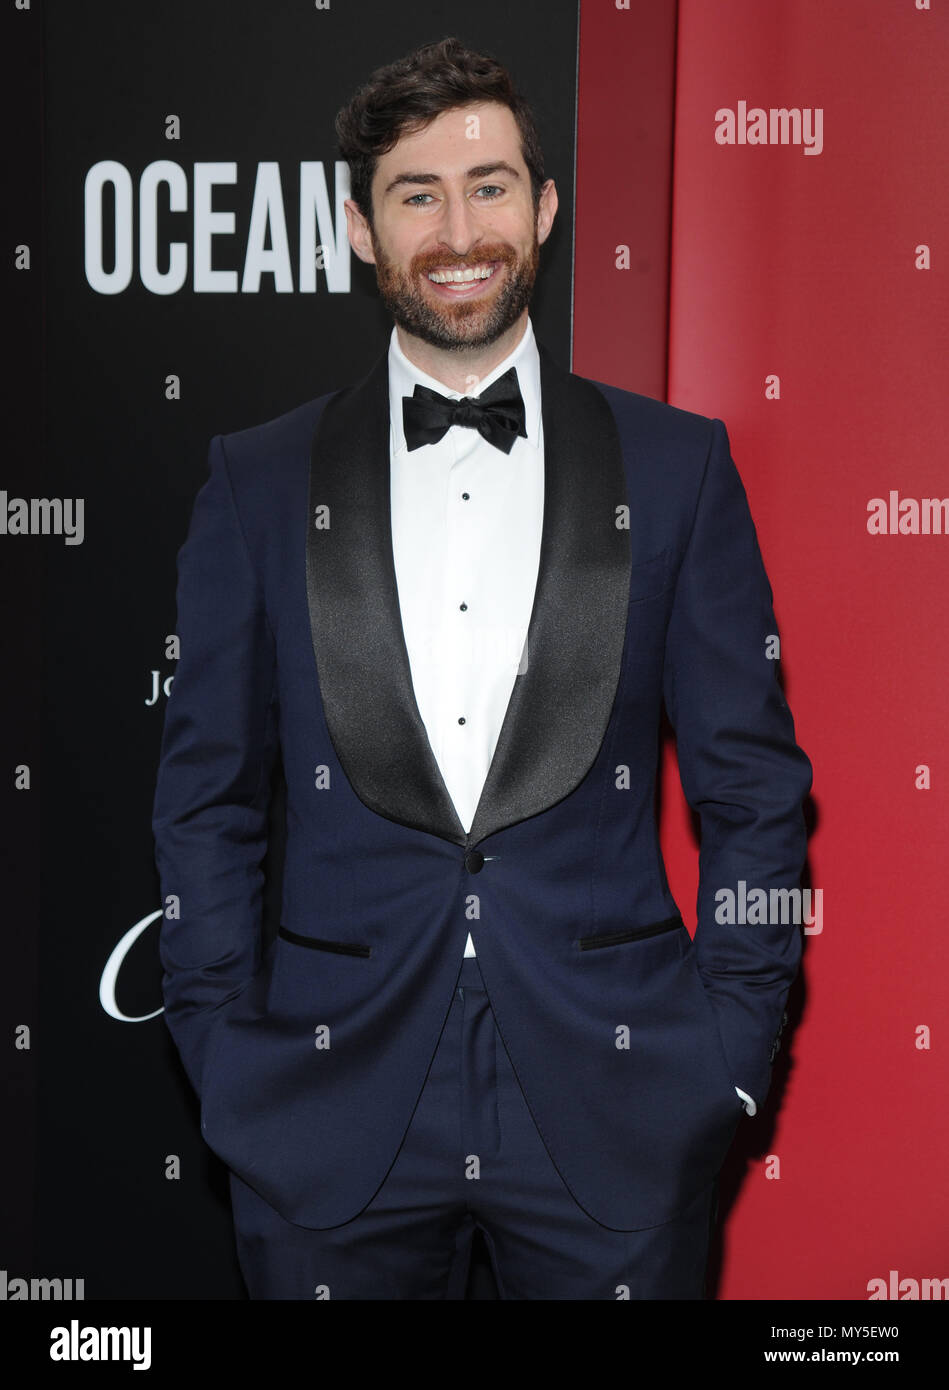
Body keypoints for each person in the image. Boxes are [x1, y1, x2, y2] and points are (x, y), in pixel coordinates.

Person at [152, 36, 812, 1300]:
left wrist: (731, 1046)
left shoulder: (677, 471)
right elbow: (206, 800)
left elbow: (754, 792)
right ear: (360, 229)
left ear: (546, 206)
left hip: (613, 1105)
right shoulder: (258, 480)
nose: (461, 230)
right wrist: (224, 1048)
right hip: (326, 1106)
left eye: (491, 186)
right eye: (418, 195)